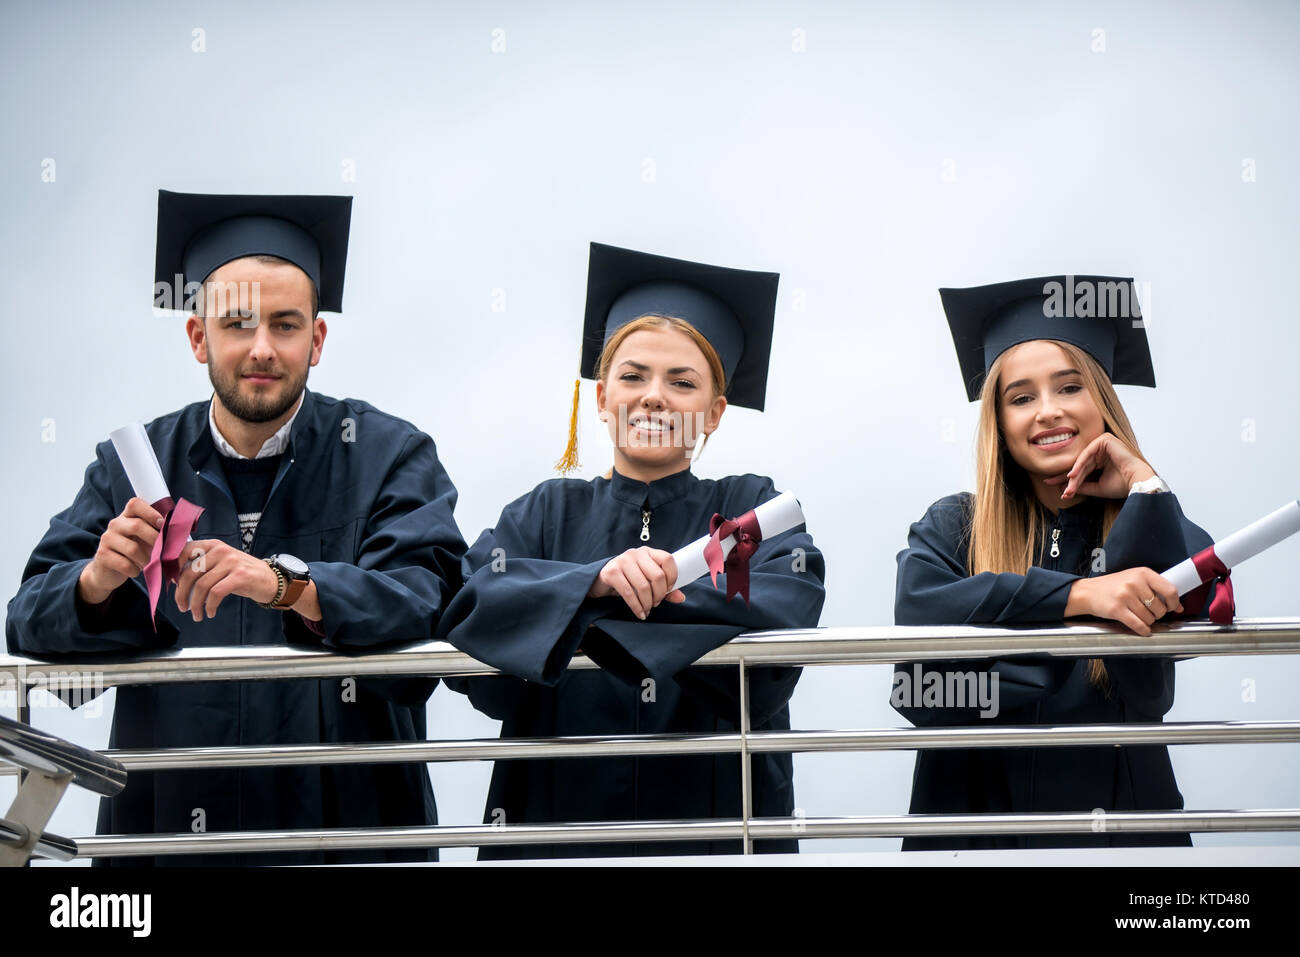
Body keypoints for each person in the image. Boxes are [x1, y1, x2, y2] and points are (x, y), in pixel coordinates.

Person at [6, 190, 467, 865]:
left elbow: (430, 601)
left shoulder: (389, 455)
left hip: (350, 834)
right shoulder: (130, 468)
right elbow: (26, 621)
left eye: (285, 324)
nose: (262, 348)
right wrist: (98, 581)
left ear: (317, 338)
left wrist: (288, 585)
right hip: (167, 835)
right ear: (199, 337)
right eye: (238, 323)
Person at [436, 242, 825, 859]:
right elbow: (468, 604)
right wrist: (594, 582)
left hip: (717, 834)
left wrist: (593, 612)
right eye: (633, 375)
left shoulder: (750, 505)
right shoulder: (543, 513)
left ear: (716, 412)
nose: (653, 397)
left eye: (682, 382)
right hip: (556, 836)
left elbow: (784, 606)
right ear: (599, 396)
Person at [891, 275, 1231, 851]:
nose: (1047, 412)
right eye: (1021, 397)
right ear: (998, 422)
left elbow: (1201, 603)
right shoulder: (955, 525)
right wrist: (1081, 599)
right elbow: (918, 639)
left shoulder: (1141, 521)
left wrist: (1145, 487)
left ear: (1103, 403)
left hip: (1121, 825)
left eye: (1069, 388)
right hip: (974, 826)